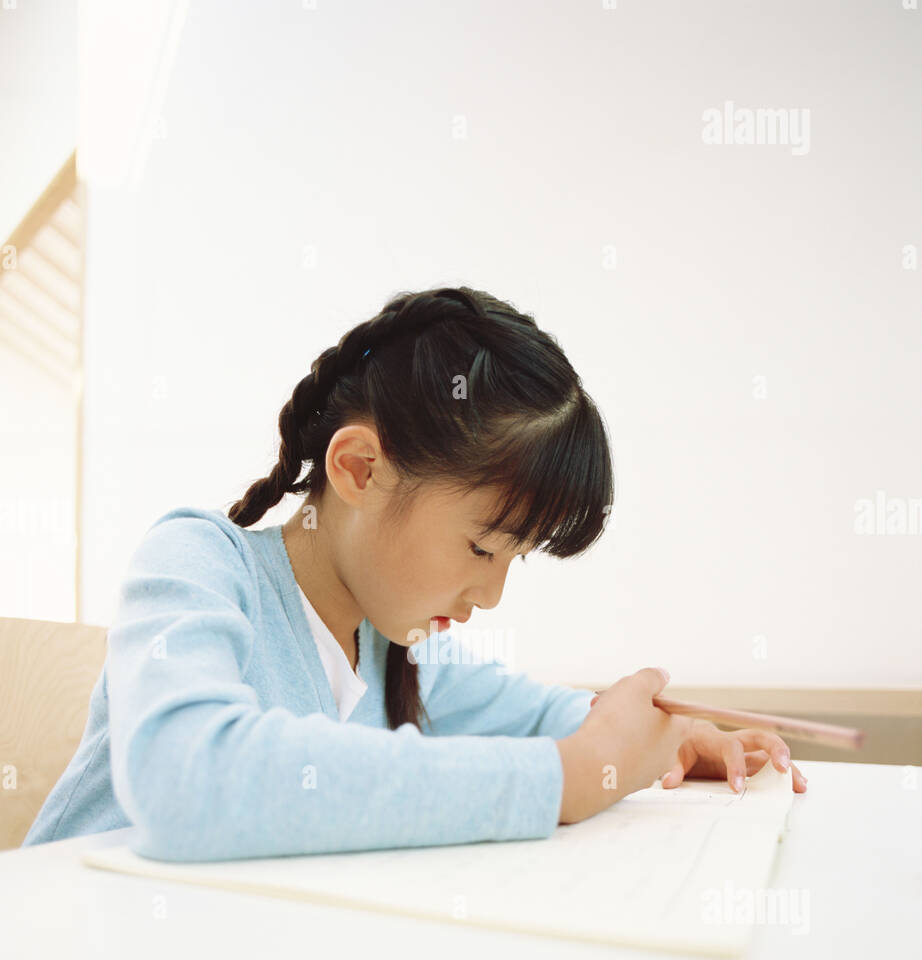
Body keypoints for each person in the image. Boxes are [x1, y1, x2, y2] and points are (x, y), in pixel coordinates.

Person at [22, 286, 803, 861]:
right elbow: (185, 776)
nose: (490, 595)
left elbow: (551, 719)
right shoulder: (197, 562)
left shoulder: (395, 650)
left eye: (513, 562)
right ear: (360, 469)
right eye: (481, 549)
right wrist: (565, 781)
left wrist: (666, 739)